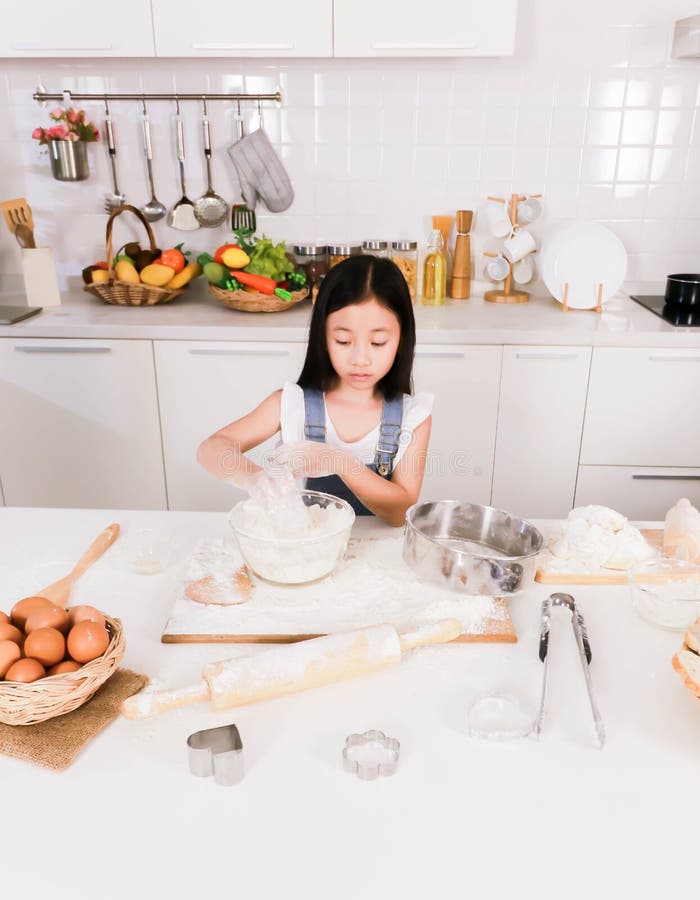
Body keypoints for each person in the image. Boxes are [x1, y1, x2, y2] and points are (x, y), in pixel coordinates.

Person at [197, 255, 433, 527]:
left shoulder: (413, 417)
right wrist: (256, 479)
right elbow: (211, 449)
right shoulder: (294, 405)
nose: (360, 358)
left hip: (376, 557)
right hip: (305, 553)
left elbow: (398, 514)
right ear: (323, 337)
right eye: (343, 340)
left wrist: (338, 461)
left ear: (402, 340)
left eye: (378, 342)